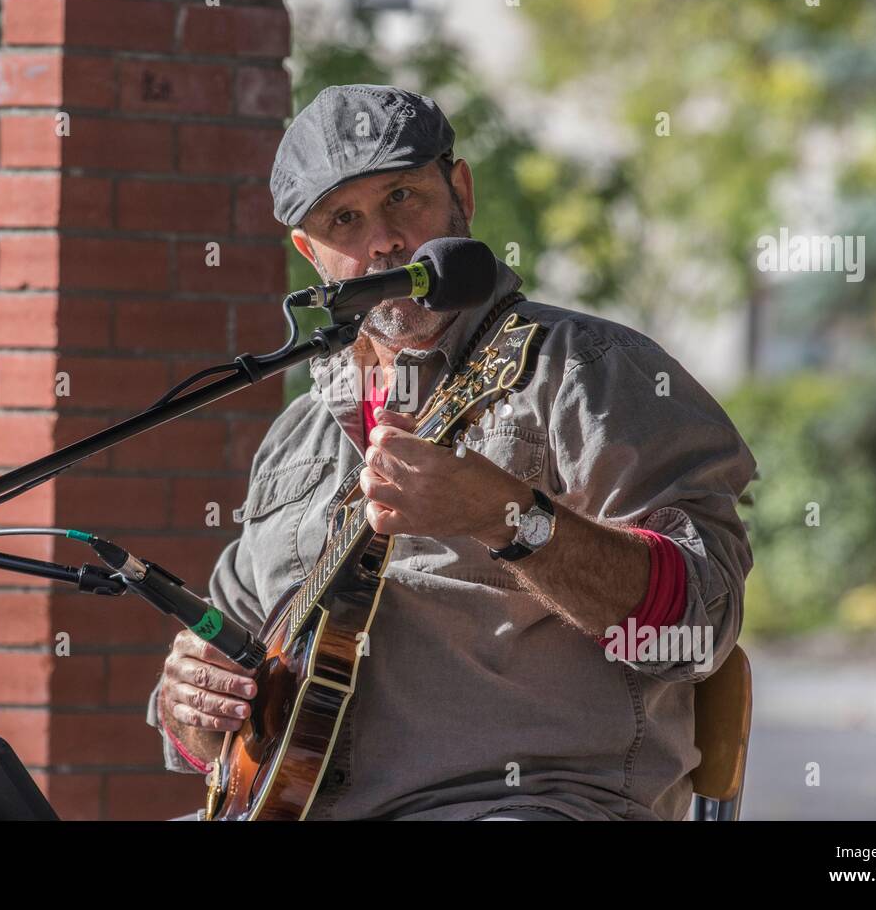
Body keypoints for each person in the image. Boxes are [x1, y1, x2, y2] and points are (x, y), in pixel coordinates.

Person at [145, 84, 758, 821]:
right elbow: (228, 652)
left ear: (460, 190)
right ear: (310, 254)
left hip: (527, 802)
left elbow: (698, 625)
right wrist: (192, 708)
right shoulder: (297, 434)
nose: (385, 241)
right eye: (345, 219)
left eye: (403, 197)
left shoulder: (589, 371)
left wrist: (507, 519)